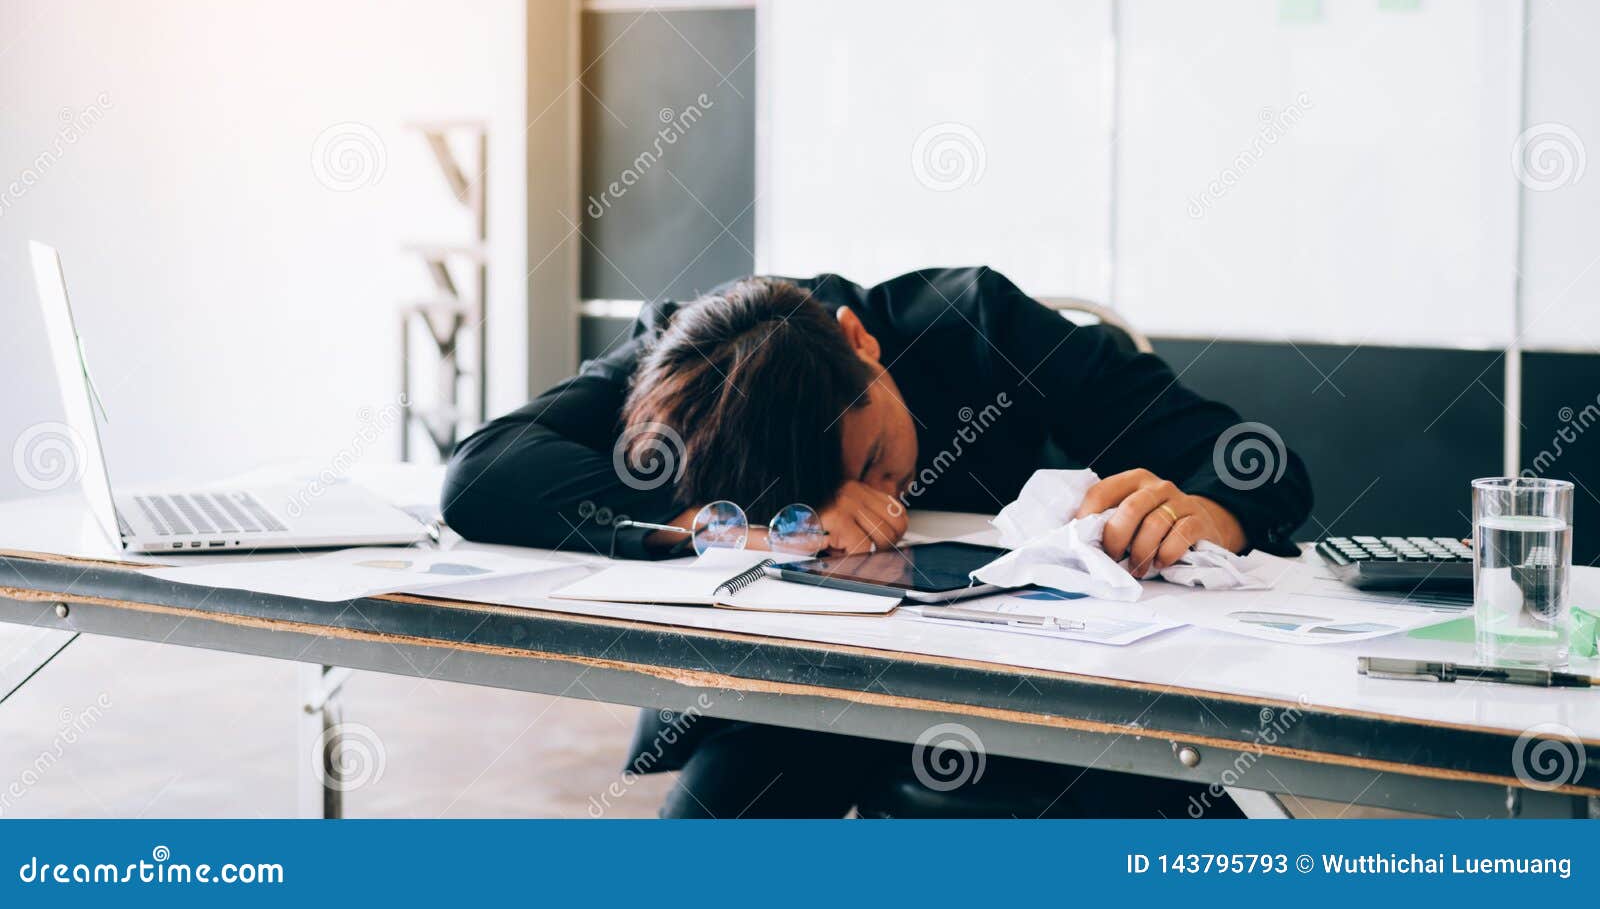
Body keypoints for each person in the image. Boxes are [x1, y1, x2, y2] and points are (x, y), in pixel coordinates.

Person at [441, 266, 1313, 817]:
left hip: (1024, 698)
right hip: (787, 700)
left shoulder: (979, 328)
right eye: (815, 494)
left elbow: (1255, 462)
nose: (868, 500)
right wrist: (717, 524)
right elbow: (483, 471)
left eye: (868, 458)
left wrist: (1212, 512)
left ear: (861, 342)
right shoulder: (689, 366)